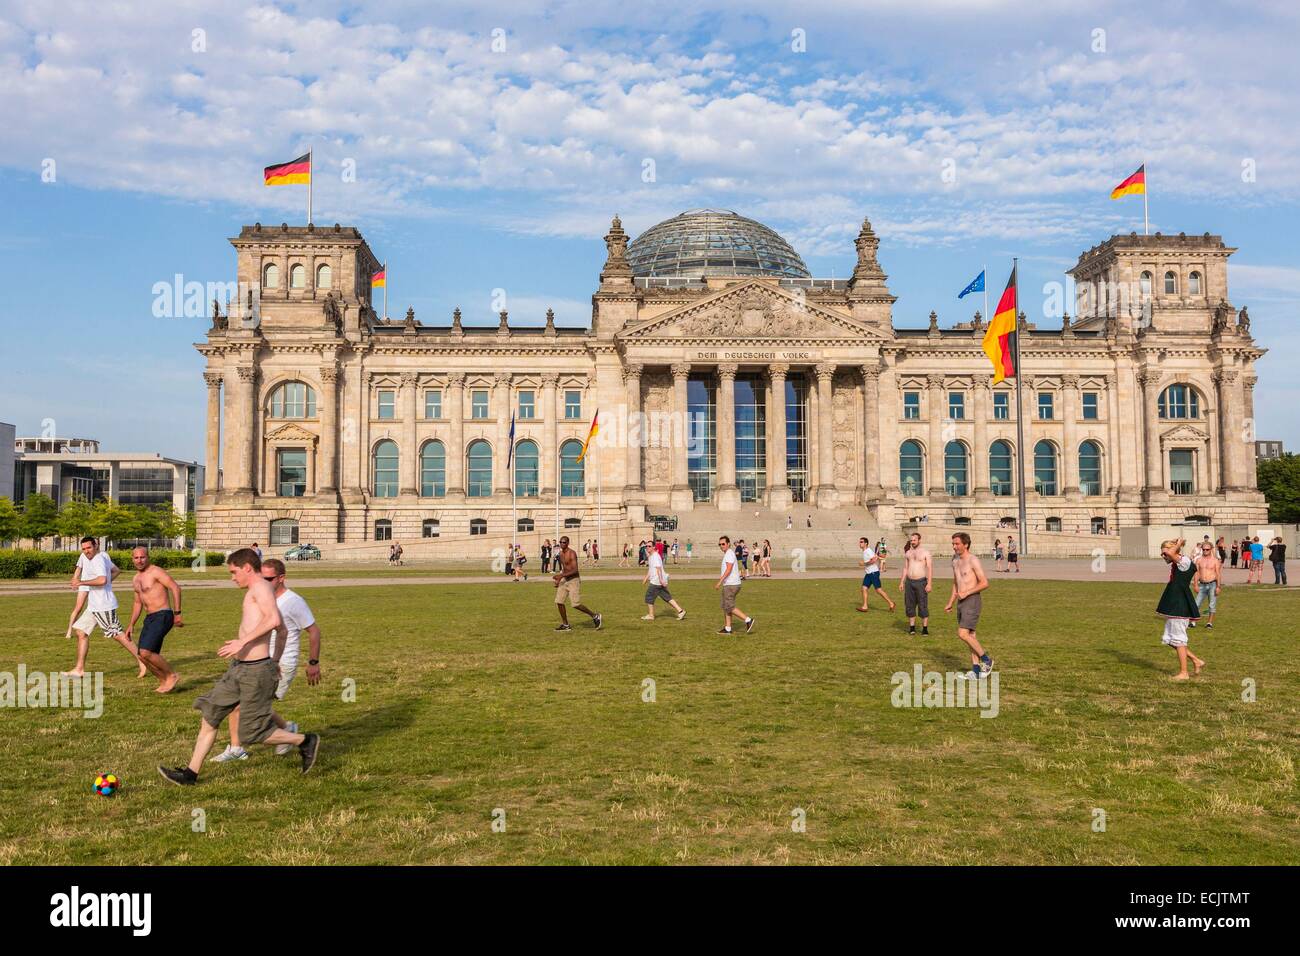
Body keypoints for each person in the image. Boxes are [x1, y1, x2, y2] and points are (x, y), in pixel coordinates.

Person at [158, 548, 319, 785]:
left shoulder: (261, 588)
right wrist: (274, 660)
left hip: (254, 672)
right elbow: (282, 630)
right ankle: (190, 774)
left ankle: (304, 740)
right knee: (211, 713)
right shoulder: (255, 590)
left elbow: (274, 621)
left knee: (252, 732)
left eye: (234, 572)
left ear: (246, 568)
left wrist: (244, 643)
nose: (232, 577)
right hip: (239, 668)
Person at [214, 558, 325, 761]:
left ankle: (289, 736)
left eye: (269, 578)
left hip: (280, 662)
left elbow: (314, 631)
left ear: (281, 578)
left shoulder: (294, 601)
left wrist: (313, 663)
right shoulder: (261, 596)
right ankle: (275, 734)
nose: (263, 581)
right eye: (261, 577)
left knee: (244, 705)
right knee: (242, 703)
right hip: (258, 662)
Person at [65, 536, 145, 678]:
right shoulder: (97, 557)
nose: (86, 551)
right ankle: (79, 669)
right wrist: (105, 583)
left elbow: (102, 580)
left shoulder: (98, 559)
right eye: (83, 549)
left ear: (96, 545)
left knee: (117, 634)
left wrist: (82, 583)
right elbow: (116, 571)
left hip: (103, 605)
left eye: (89, 548)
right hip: (94, 606)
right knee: (81, 632)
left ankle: (143, 660)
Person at [123, 547, 183, 693]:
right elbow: (137, 603)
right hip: (149, 618)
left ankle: (172, 675)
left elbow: (175, 588)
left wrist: (177, 613)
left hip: (163, 614)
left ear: (148, 557)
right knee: (142, 656)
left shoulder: (156, 572)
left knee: (145, 652)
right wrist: (131, 624)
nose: (139, 560)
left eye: (142, 557)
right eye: (136, 558)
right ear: (132, 559)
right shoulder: (136, 579)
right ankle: (164, 681)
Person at [944, 533, 994, 680]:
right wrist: (950, 602)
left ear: (966, 544)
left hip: (972, 600)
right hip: (961, 601)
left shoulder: (973, 560)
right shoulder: (954, 560)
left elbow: (984, 583)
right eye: (953, 544)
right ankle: (976, 670)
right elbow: (956, 582)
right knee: (971, 635)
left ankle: (987, 660)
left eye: (957, 544)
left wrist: (967, 592)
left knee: (962, 634)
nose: (954, 546)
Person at [1156, 539, 1205, 681]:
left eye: (1164, 552)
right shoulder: (1178, 562)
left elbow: (1172, 553)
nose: (1163, 555)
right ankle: (1196, 660)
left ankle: (1184, 673)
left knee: (1179, 640)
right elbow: (1169, 558)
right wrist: (1172, 549)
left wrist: (1177, 546)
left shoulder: (1184, 562)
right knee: (1170, 639)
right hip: (1175, 605)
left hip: (1179, 605)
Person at [552, 536, 601, 631]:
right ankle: (565, 625)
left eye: (564, 542)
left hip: (574, 580)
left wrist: (560, 576)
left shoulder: (572, 553)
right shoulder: (561, 554)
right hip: (565, 579)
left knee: (575, 604)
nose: (562, 544)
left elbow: (575, 570)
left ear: (568, 543)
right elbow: (565, 568)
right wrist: (559, 579)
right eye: (561, 542)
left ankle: (595, 616)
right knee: (559, 601)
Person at [714, 536, 755, 635]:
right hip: (730, 584)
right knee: (726, 606)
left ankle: (748, 620)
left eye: (723, 544)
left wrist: (720, 581)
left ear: (728, 544)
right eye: (720, 544)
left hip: (731, 584)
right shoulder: (728, 554)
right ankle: (728, 628)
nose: (721, 546)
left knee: (729, 606)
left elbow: (728, 569)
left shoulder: (729, 554)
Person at [642, 538, 686, 622]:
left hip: (656, 581)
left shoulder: (655, 556)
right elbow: (651, 569)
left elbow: (658, 569)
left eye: (649, 546)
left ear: (653, 547)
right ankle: (681, 611)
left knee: (649, 597)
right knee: (667, 597)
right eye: (646, 546)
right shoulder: (651, 556)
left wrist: (661, 580)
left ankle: (651, 615)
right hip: (658, 581)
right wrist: (646, 578)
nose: (647, 547)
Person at [898, 532, 932, 636]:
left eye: (914, 540)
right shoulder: (908, 553)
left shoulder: (925, 552)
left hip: (921, 582)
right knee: (909, 605)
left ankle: (925, 628)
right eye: (911, 540)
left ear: (919, 540)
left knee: (923, 605)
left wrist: (929, 583)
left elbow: (929, 568)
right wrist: (902, 582)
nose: (912, 542)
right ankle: (912, 628)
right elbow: (905, 568)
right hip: (909, 582)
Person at [857, 536, 896, 613]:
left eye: (861, 542)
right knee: (864, 588)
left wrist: (864, 563)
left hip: (874, 573)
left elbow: (874, 559)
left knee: (878, 590)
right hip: (869, 573)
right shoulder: (865, 551)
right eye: (859, 542)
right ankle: (865, 606)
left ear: (866, 543)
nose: (860, 543)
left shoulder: (868, 551)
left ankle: (891, 603)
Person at [1191, 540, 1221, 629]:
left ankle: (1209, 623)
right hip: (1202, 585)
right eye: (1203, 549)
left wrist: (1218, 586)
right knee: (1196, 604)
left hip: (1212, 584)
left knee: (1212, 604)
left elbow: (1218, 574)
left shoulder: (1215, 561)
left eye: (1207, 549)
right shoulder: (1199, 560)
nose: (1205, 551)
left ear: (1211, 549)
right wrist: (1195, 584)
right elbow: (1196, 573)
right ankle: (1193, 622)